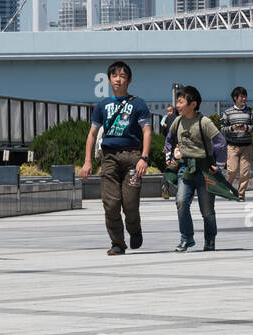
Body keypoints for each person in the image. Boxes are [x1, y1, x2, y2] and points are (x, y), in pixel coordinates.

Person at [80, 60, 153, 256]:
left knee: (130, 203)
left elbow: (147, 131)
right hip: (109, 157)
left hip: (132, 157)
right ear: (109, 79)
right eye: (114, 76)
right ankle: (117, 243)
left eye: (122, 76)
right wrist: (87, 161)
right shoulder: (103, 105)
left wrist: (144, 158)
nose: (118, 79)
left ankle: (134, 229)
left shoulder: (138, 104)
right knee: (111, 204)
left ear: (129, 80)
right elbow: (92, 134)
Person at [164, 85, 221, 253]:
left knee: (207, 210)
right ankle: (186, 238)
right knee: (181, 202)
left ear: (193, 104)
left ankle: (209, 240)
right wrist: (170, 156)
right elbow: (169, 139)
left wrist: (219, 165)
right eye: (177, 102)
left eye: (181, 102)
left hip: (205, 170)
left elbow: (220, 143)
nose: (177, 105)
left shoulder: (204, 122)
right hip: (185, 169)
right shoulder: (177, 121)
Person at [220, 86, 253, 202]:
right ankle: (228, 189)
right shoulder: (227, 113)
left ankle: (241, 194)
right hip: (232, 146)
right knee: (232, 170)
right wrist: (232, 128)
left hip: (246, 146)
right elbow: (222, 129)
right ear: (235, 98)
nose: (244, 99)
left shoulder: (250, 111)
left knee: (245, 172)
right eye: (241, 96)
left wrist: (247, 128)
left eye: (245, 96)